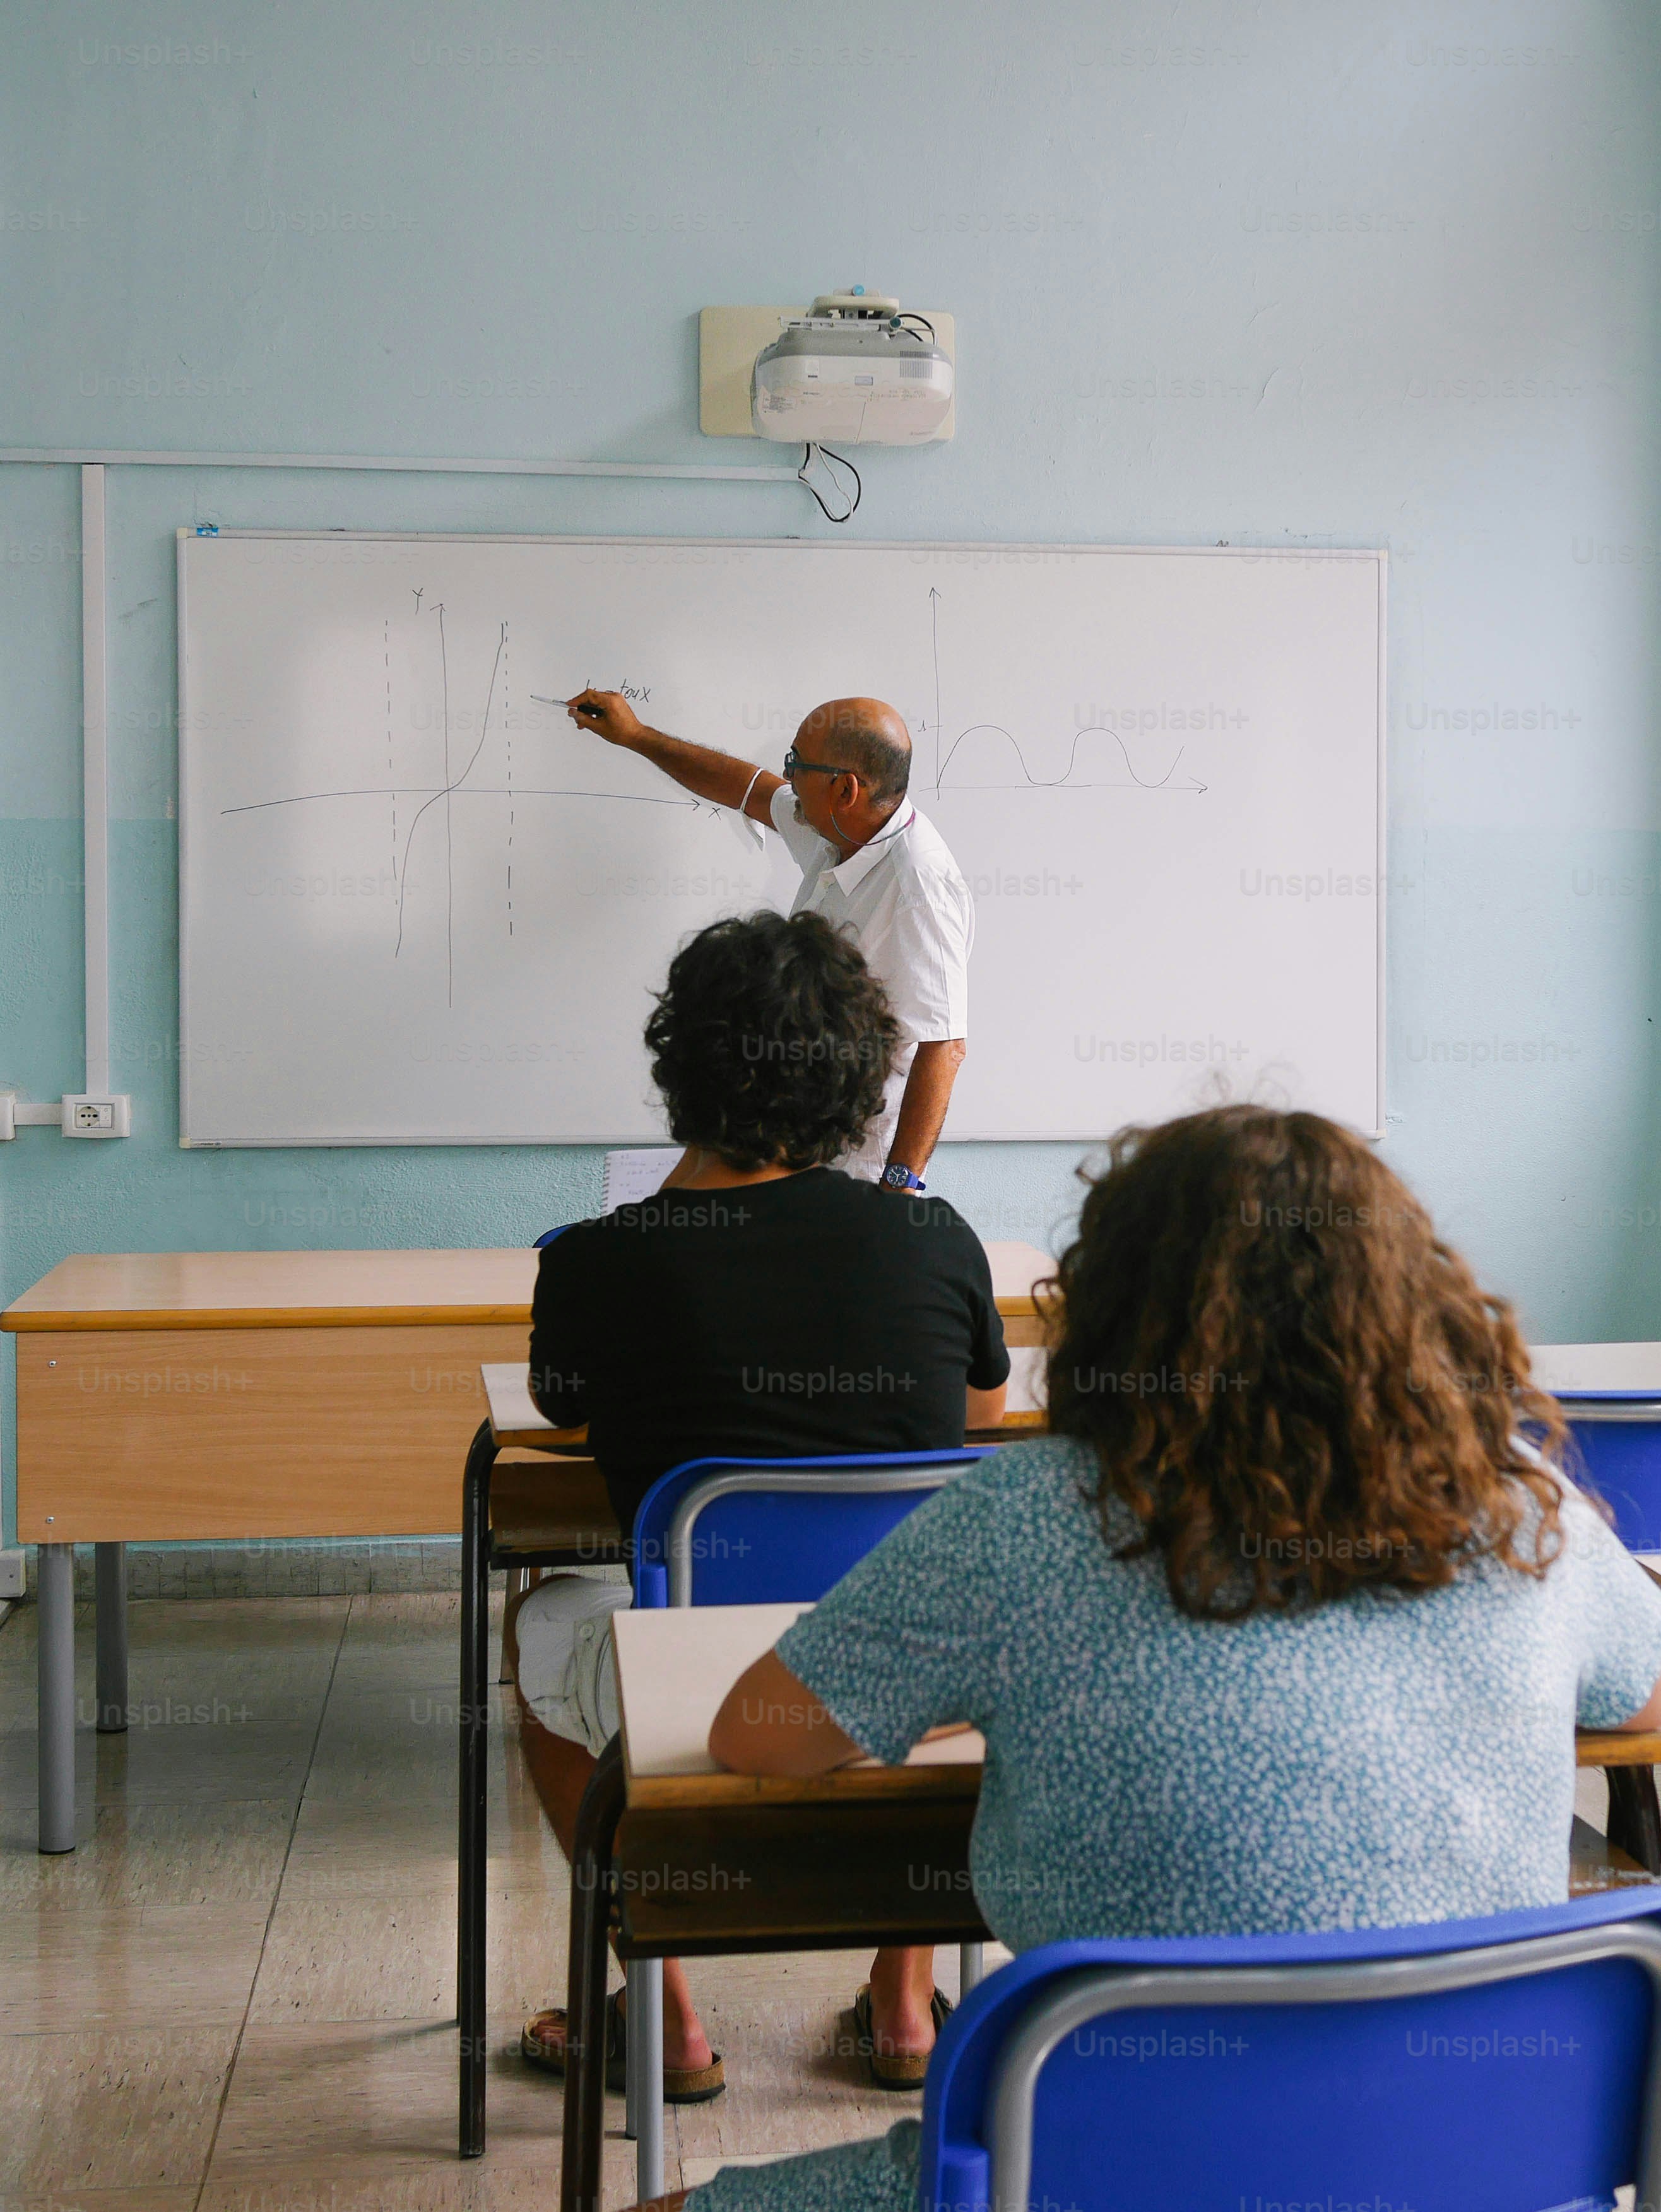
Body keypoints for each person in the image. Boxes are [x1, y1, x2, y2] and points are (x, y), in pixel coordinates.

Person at [628, 1103, 1661, 2212]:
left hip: (1081, 2180)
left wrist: (952, 1696)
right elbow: (1637, 1690)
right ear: (1415, 1298)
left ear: (1113, 1304)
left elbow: (755, 1738)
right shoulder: (1514, 1507)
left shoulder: (1026, 1515)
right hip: (1486, 2178)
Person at [512, 907, 1010, 2102]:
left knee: (539, 1635)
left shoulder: (597, 1261)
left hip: (697, 1674)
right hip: (904, 1668)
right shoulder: (933, 1240)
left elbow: (563, 1418)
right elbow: (977, 1431)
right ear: (858, 1079)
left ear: (677, 1067)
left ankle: (668, 2019)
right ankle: (903, 2007)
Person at [565, 687, 971, 1188]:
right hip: (796, 1151)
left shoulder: (919, 886)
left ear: (846, 789)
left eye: (797, 763)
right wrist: (636, 736)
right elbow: (747, 788)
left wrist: (899, 1185)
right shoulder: (840, 828)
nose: (789, 775)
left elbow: (944, 1046)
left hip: (861, 1171)